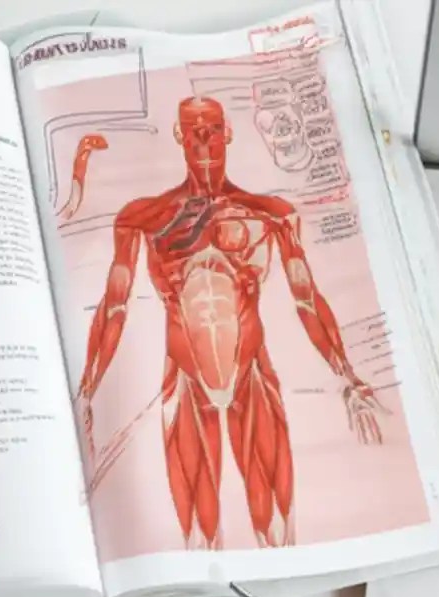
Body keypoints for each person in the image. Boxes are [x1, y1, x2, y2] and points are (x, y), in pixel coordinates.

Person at [76, 96, 383, 550]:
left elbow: (306, 296)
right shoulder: (145, 216)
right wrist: (86, 392)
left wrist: (348, 377)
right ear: (179, 135)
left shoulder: (271, 213)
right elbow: (114, 306)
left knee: (277, 531)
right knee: (199, 541)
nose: (204, 140)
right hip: (184, 378)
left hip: (251, 373)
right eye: (194, 131)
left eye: (213, 129)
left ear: (228, 133)